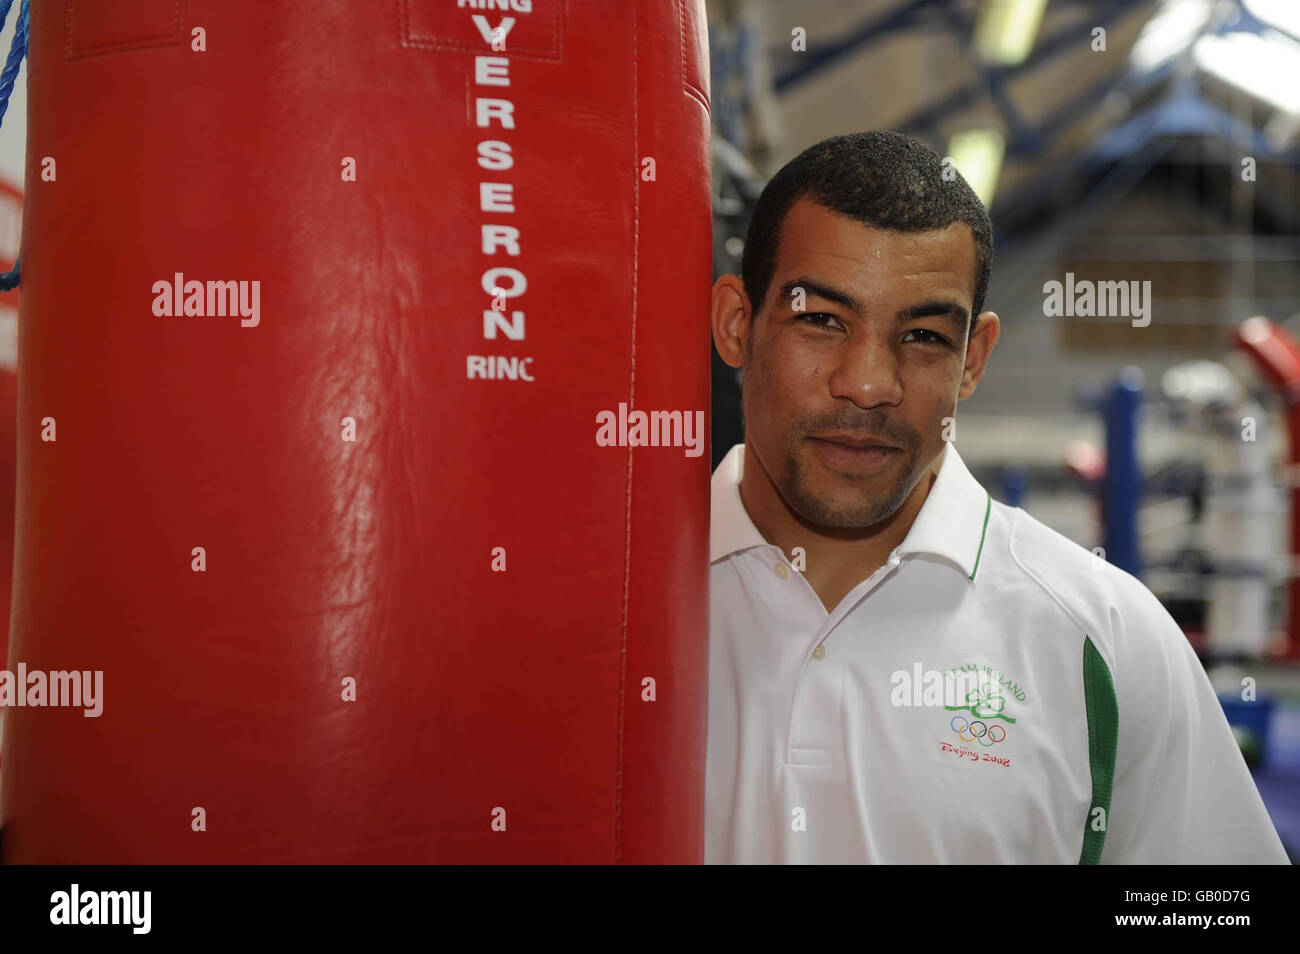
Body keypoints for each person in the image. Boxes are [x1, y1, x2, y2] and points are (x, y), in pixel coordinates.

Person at [706, 129, 1290, 864]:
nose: (869, 382)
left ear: (973, 358)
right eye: (822, 320)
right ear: (736, 324)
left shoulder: (1104, 638)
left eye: (922, 335)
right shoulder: (604, 606)